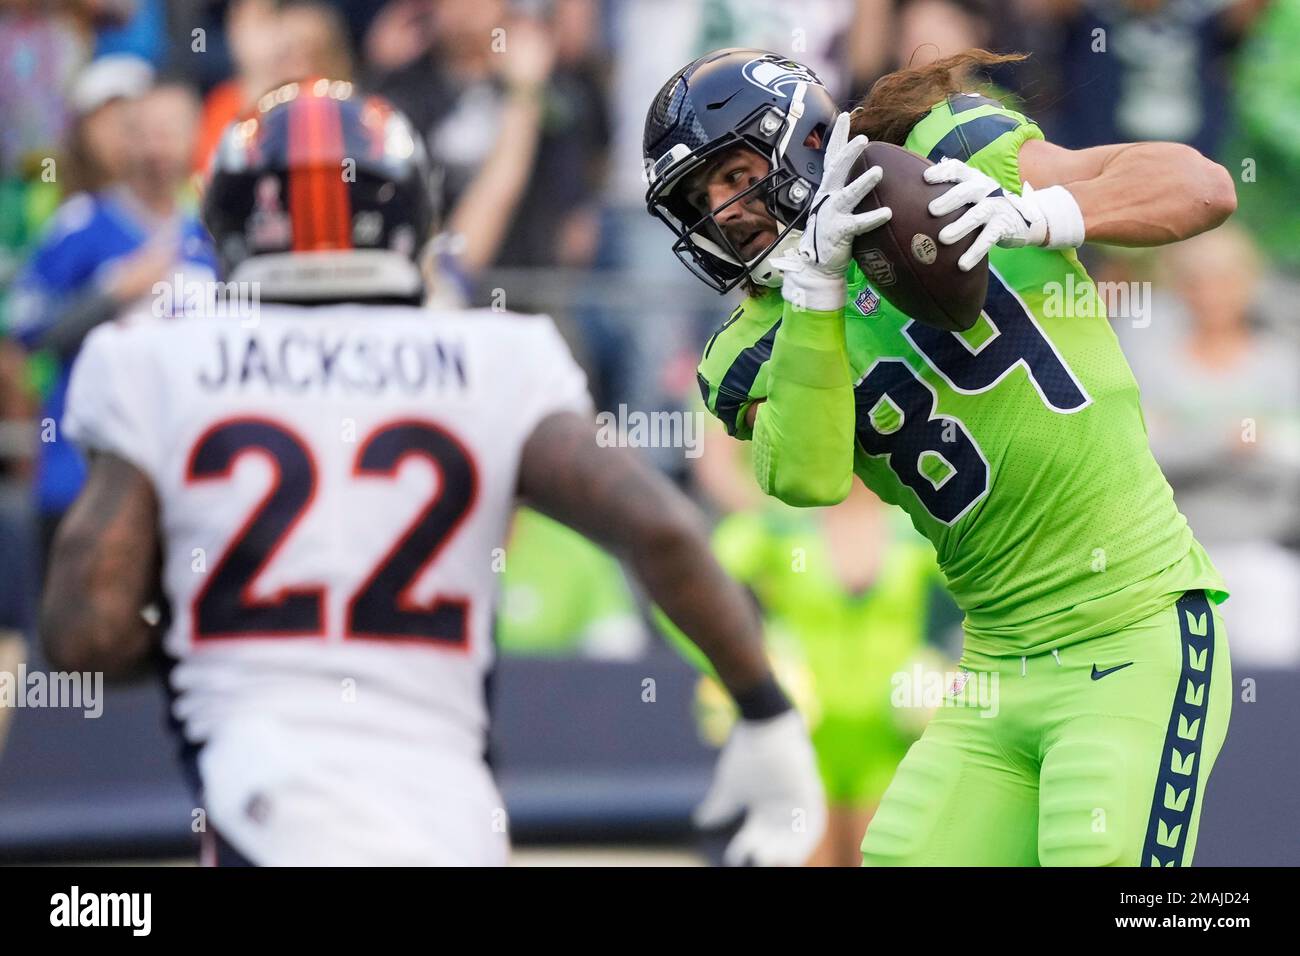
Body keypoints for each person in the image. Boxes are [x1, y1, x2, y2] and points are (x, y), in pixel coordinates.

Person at [39, 81, 824, 867]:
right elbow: (661, 528)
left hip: (265, 803)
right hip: (451, 825)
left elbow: (86, 635)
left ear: (232, 218)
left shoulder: (158, 361)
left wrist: (215, 633)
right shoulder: (493, 357)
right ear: (411, 212)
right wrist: (766, 712)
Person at [644, 47, 1237, 866]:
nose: (722, 210)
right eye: (695, 198)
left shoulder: (951, 150)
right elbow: (808, 479)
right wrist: (817, 297)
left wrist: (1036, 212)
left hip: (1134, 629)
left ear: (803, 142)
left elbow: (1203, 188)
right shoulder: (747, 350)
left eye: (732, 173)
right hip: (997, 662)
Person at [8, 61, 217, 574]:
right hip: (82, 477)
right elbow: (25, 325)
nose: (156, 147)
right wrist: (108, 292)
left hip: (186, 479)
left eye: (169, 131)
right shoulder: (82, 225)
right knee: (70, 642)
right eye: (142, 132)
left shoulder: (209, 236)